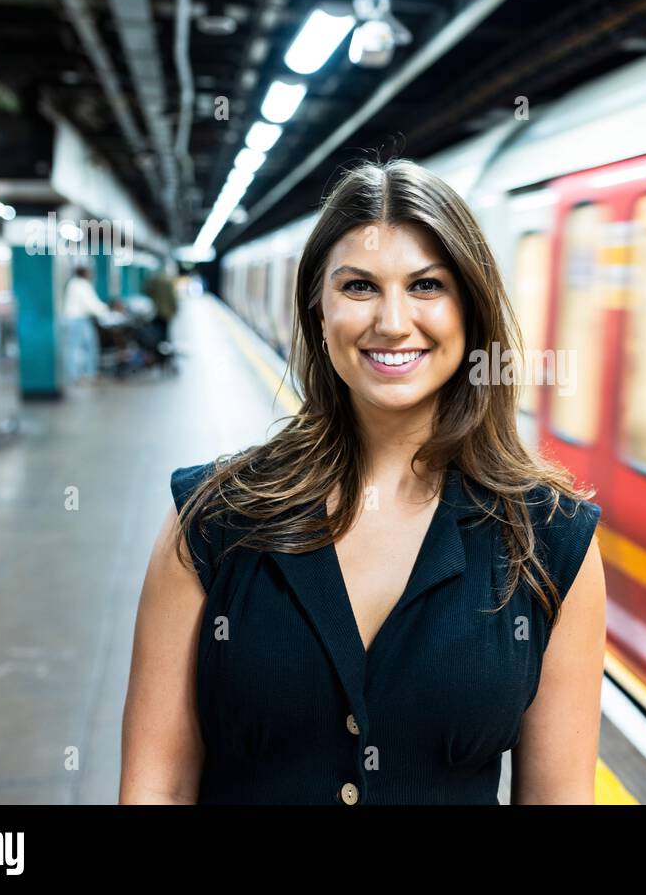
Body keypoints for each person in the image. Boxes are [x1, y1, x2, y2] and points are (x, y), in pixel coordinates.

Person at [121, 159, 606, 805]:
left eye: (427, 284)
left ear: (472, 310)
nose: (393, 320)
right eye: (359, 287)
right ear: (319, 311)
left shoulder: (548, 541)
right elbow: (157, 788)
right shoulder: (211, 522)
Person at [63, 265, 111, 384]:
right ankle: (78, 375)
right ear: (84, 273)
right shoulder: (81, 285)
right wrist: (106, 311)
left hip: (78, 318)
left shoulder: (73, 284)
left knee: (85, 345)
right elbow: (90, 304)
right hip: (77, 319)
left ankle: (85, 373)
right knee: (78, 347)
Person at [142, 269, 177, 346]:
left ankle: (156, 343)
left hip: (156, 310)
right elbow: (172, 298)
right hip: (167, 311)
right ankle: (163, 345)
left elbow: (148, 292)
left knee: (156, 328)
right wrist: (174, 309)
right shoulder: (169, 283)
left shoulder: (155, 282)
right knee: (164, 328)